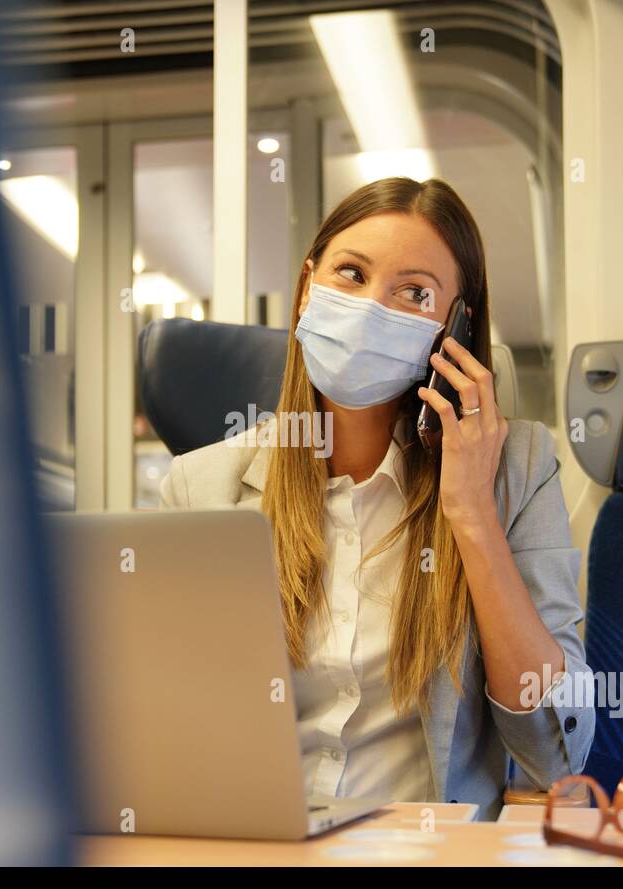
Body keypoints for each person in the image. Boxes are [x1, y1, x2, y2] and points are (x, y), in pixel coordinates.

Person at [158, 177, 594, 820]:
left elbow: (556, 752)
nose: (370, 308)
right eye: (351, 273)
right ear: (308, 288)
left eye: (414, 293)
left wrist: (471, 510)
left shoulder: (518, 468)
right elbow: (164, 726)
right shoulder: (199, 487)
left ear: (456, 328)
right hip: (257, 843)